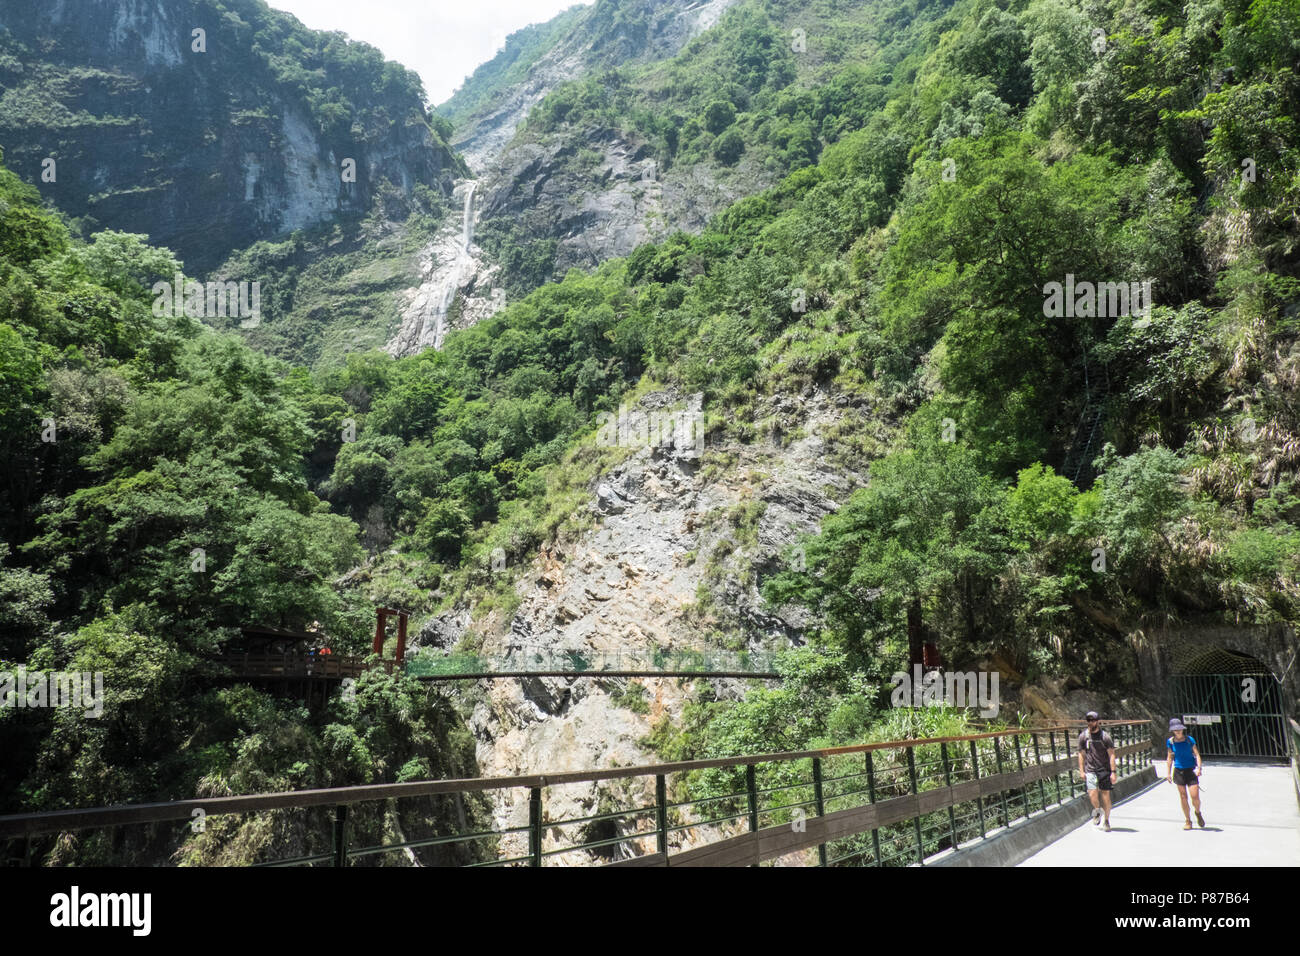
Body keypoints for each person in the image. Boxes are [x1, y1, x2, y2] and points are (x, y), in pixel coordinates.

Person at [1078, 711, 1117, 831]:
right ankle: (1097, 810)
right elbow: (1081, 754)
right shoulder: (1084, 736)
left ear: (1098, 721)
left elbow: (1111, 755)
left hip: (1104, 769)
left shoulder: (1105, 737)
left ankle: (1106, 820)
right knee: (1092, 794)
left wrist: (1113, 772)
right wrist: (1081, 770)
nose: (1091, 723)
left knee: (1105, 796)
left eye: (1093, 720)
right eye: (1088, 720)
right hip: (1090, 769)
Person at [1165, 718, 1204, 830]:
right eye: (1175, 730)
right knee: (1183, 797)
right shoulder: (1170, 742)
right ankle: (1188, 820)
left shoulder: (1189, 740)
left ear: (1182, 729)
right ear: (1172, 731)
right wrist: (1168, 773)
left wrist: (1199, 768)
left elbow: (1197, 754)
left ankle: (1198, 812)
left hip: (1190, 771)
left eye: (1179, 729)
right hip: (1178, 771)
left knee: (1195, 796)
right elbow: (1169, 757)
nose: (1178, 731)